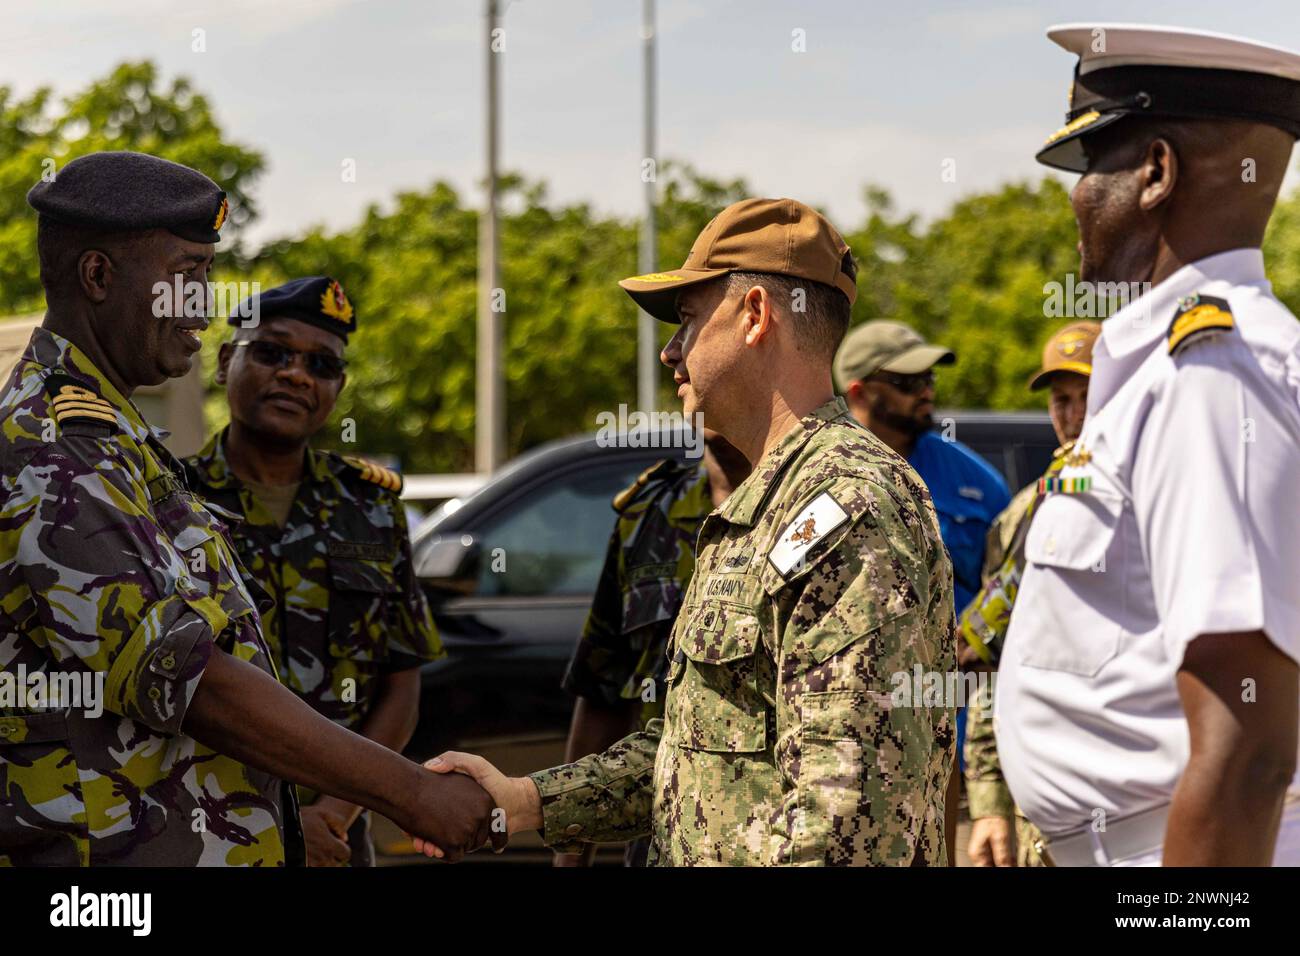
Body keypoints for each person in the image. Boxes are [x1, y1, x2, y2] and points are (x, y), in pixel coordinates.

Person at [421, 197, 957, 865]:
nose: (672, 351)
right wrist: (524, 800)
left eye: (689, 319)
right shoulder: (768, 501)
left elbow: (847, 816)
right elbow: (697, 753)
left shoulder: (847, 505)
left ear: (755, 315)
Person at [0, 151, 498, 865]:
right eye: (188, 276)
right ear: (99, 276)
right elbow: (193, 678)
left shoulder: (114, 437)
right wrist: (414, 793)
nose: (203, 306)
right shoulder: (56, 443)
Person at [996, 24, 1300, 866]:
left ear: (1157, 172)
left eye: (1092, 164)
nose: (1077, 197)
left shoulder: (1210, 376)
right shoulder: (1176, 368)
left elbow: (1248, 747)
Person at [183, 276, 443, 867]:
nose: (296, 375)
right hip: (203, 828)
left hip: (336, 837)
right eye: (273, 353)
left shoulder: (371, 507)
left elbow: (401, 683)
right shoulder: (168, 499)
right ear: (224, 363)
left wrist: (332, 813)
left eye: (321, 365)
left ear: (338, 388)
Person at [834, 320, 1010, 856]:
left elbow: (1012, 590)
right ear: (860, 390)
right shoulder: (821, 471)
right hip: (842, 738)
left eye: (929, 378)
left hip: (949, 738)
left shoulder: (974, 482)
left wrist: (974, 637)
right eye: (908, 382)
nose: (926, 391)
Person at [555, 429, 750, 866]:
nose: (686, 395)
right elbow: (603, 690)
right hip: (658, 841)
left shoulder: (816, 507)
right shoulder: (648, 515)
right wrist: (571, 858)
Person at [960, 320, 1099, 867]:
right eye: (1062, 400)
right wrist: (989, 802)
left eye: (1089, 395)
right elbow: (991, 662)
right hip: (1042, 797)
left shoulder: (1159, 497)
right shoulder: (1024, 515)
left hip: (1134, 791)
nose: (1075, 414)